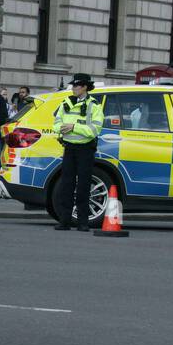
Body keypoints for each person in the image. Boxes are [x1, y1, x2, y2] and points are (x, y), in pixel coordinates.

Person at [52, 73, 105, 230]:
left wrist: (74, 127)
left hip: (85, 149)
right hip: (69, 147)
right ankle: (65, 220)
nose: (73, 88)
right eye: (73, 85)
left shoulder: (94, 106)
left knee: (83, 185)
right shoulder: (66, 103)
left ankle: (83, 222)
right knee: (66, 185)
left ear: (84, 87)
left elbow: (94, 130)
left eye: (76, 85)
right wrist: (62, 129)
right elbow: (56, 123)